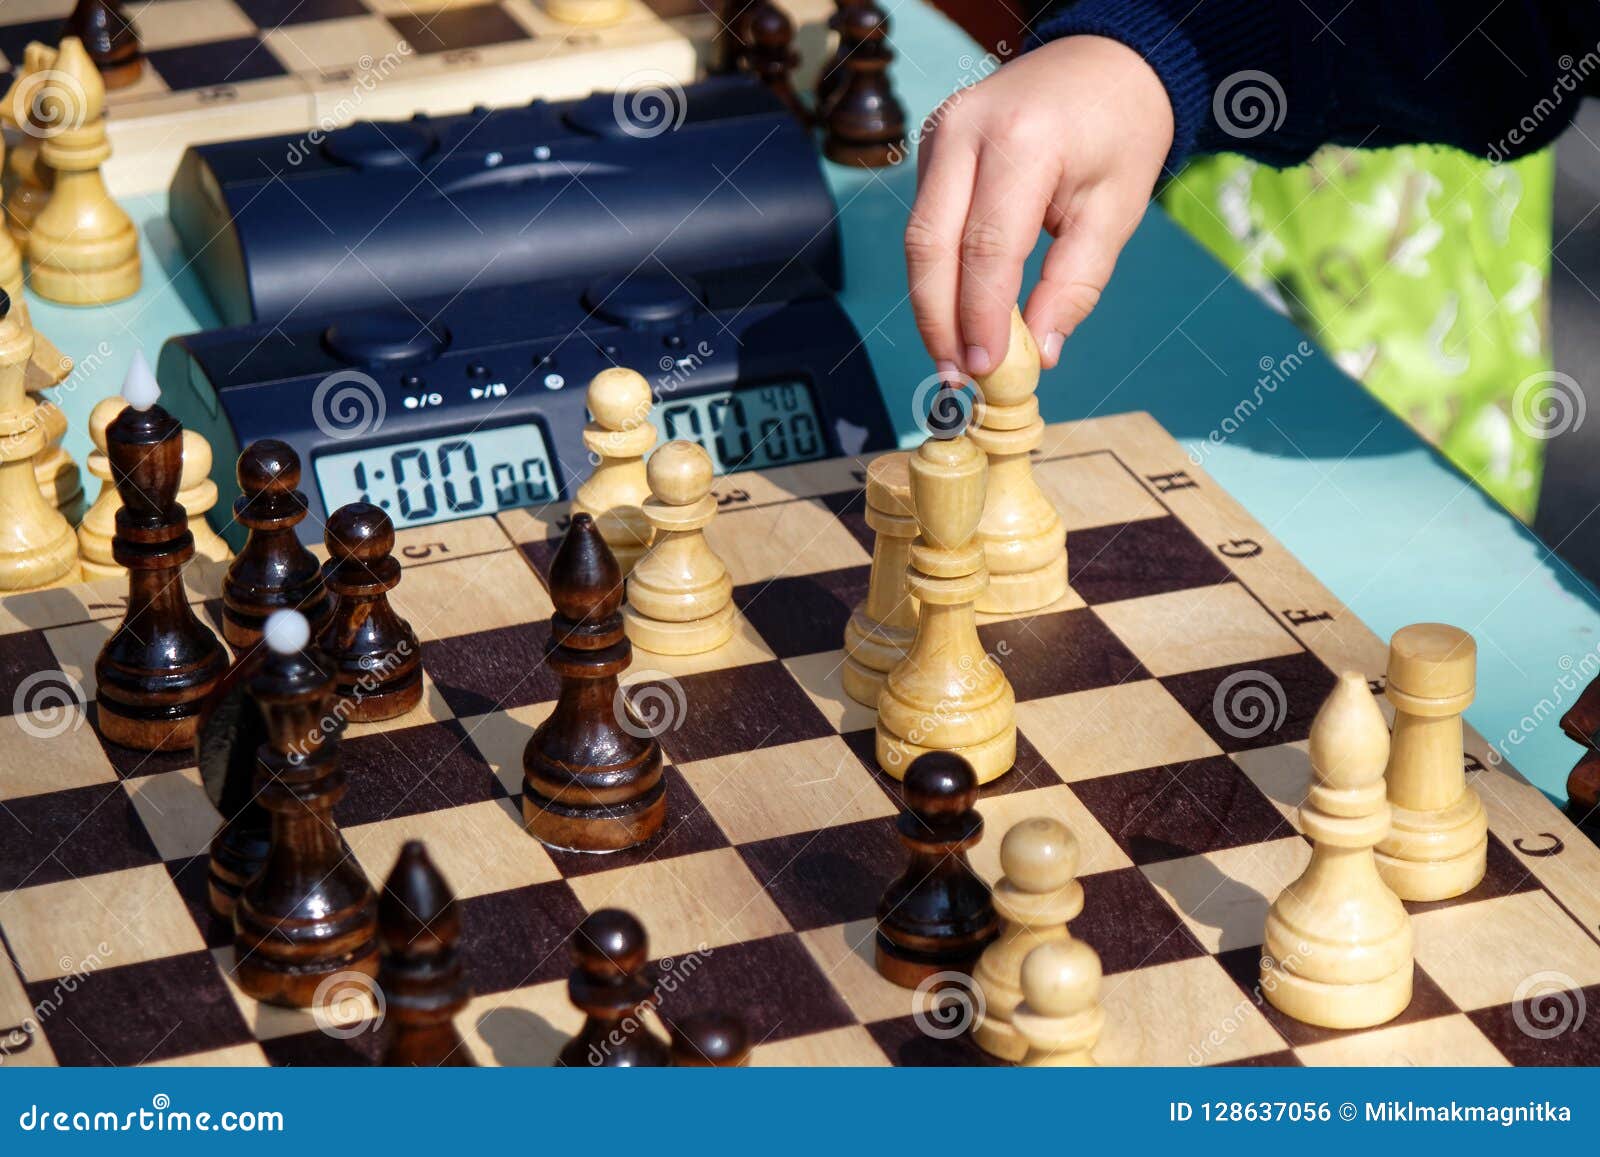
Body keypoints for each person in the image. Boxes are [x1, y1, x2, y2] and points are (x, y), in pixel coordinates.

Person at [906, 3, 1598, 518]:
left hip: (1398, 227)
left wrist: (1169, 44)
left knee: (1374, 548)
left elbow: (1525, 27)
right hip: (1143, 158)